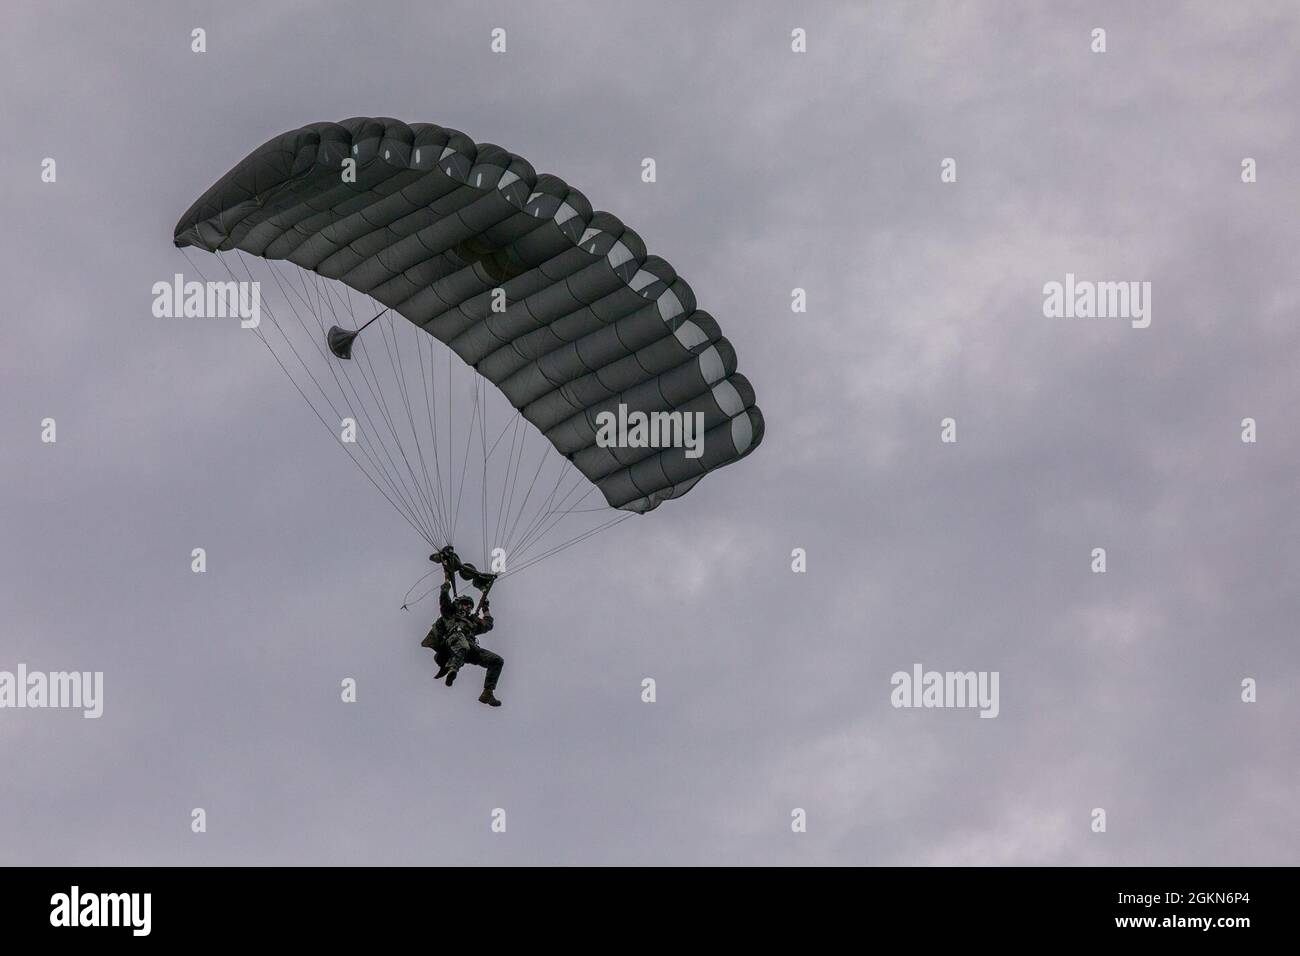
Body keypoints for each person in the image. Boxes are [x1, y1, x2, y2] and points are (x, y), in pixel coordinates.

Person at [423, 560, 503, 707]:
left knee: (497, 660)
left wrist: (485, 608)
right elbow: (444, 597)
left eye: (470, 606)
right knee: (462, 644)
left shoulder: (472, 622)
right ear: (459, 604)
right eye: (465, 604)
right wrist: (447, 578)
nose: (468, 607)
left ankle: (487, 692)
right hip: (452, 644)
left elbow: (488, 625)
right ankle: (452, 668)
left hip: (470, 649)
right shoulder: (450, 613)